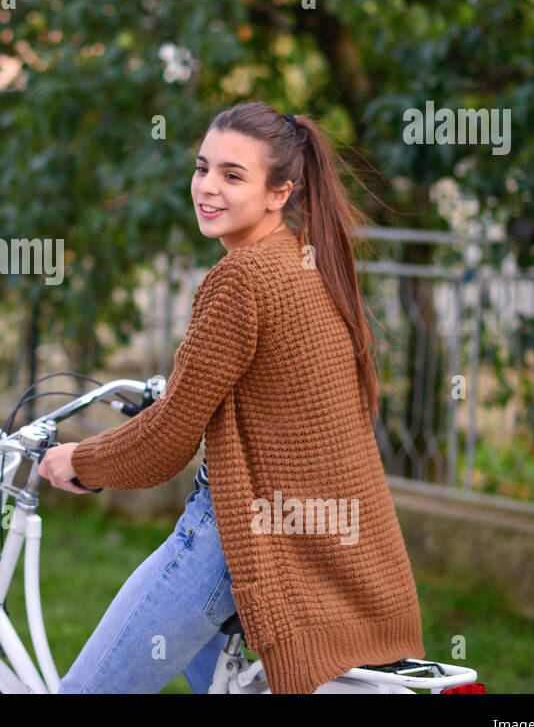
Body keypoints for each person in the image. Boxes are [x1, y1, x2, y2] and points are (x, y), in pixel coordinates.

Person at [42, 101, 426, 694]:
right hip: (323, 545)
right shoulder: (307, 261)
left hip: (232, 545)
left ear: (279, 193)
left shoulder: (241, 279)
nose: (207, 187)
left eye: (232, 175)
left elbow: (167, 442)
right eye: (202, 168)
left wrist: (78, 461)